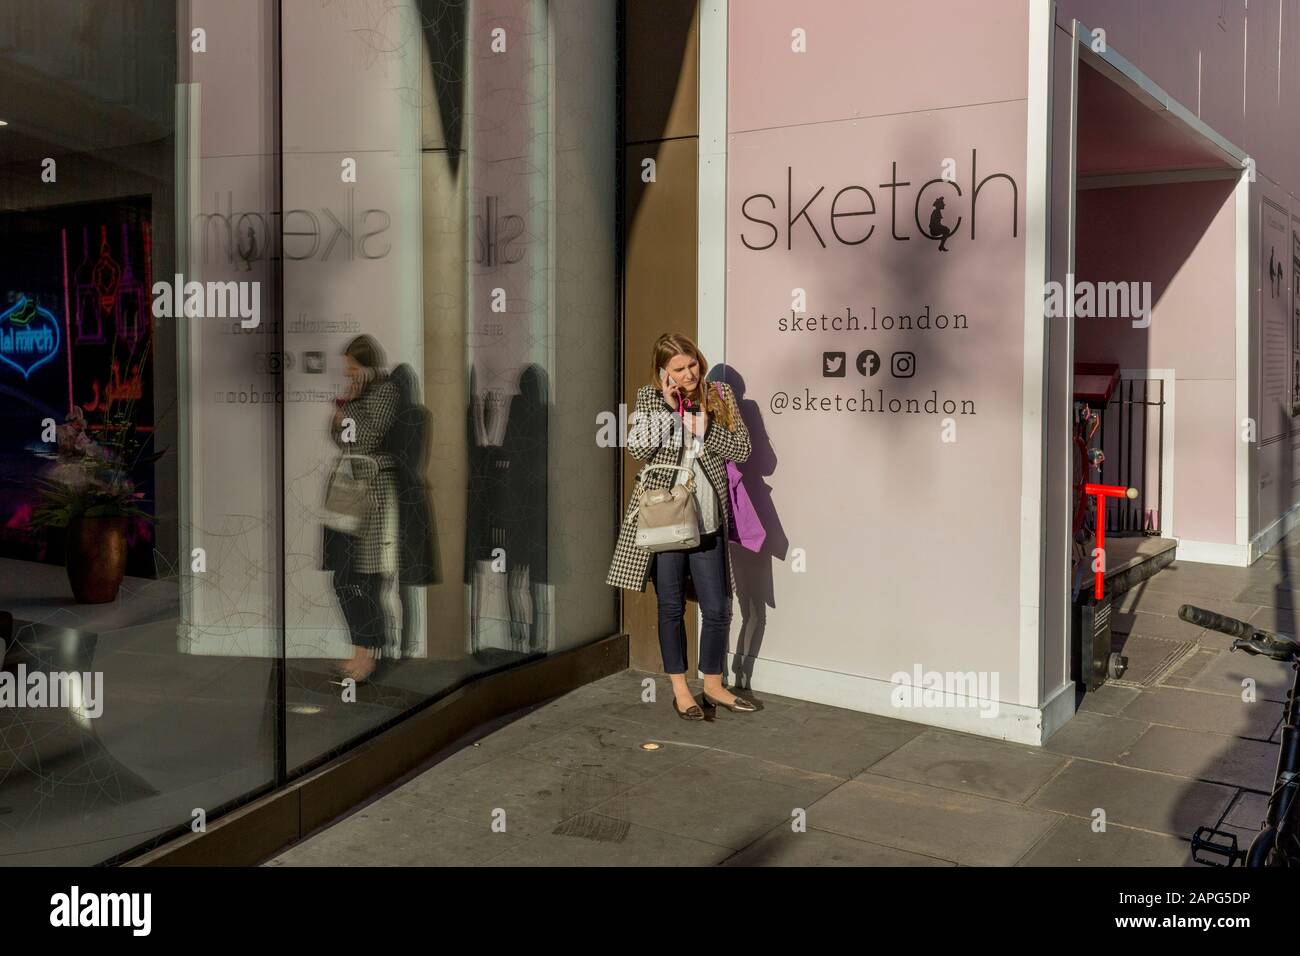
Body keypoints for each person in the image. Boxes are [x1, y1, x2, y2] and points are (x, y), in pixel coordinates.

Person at [606, 333, 756, 720]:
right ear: (663, 372)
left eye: (693, 364)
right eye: (679, 368)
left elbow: (743, 449)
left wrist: (708, 430)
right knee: (671, 606)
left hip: (708, 518)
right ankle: (680, 689)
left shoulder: (719, 394)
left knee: (718, 607)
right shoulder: (650, 397)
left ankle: (713, 685)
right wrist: (669, 410)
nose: (689, 374)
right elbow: (638, 449)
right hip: (666, 521)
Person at [322, 335, 399, 683]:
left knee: (363, 580)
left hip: (372, 496)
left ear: (367, 365)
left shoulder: (385, 392)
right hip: (347, 496)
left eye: (352, 367)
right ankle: (359, 650)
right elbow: (339, 439)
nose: (348, 374)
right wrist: (342, 414)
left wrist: (349, 407)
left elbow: (365, 438)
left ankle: (367, 657)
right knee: (342, 578)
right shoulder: (360, 395)